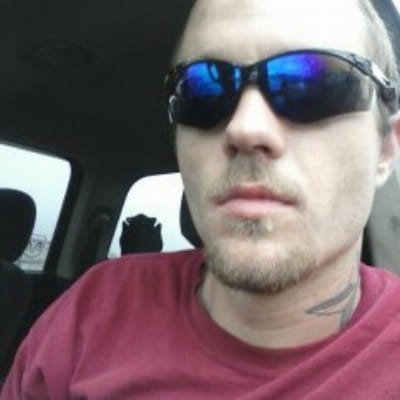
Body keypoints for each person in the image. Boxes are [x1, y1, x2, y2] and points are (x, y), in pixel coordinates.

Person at [1, 0, 400, 398]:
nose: (245, 128)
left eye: (312, 84)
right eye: (203, 88)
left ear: (386, 149)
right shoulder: (93, 309)